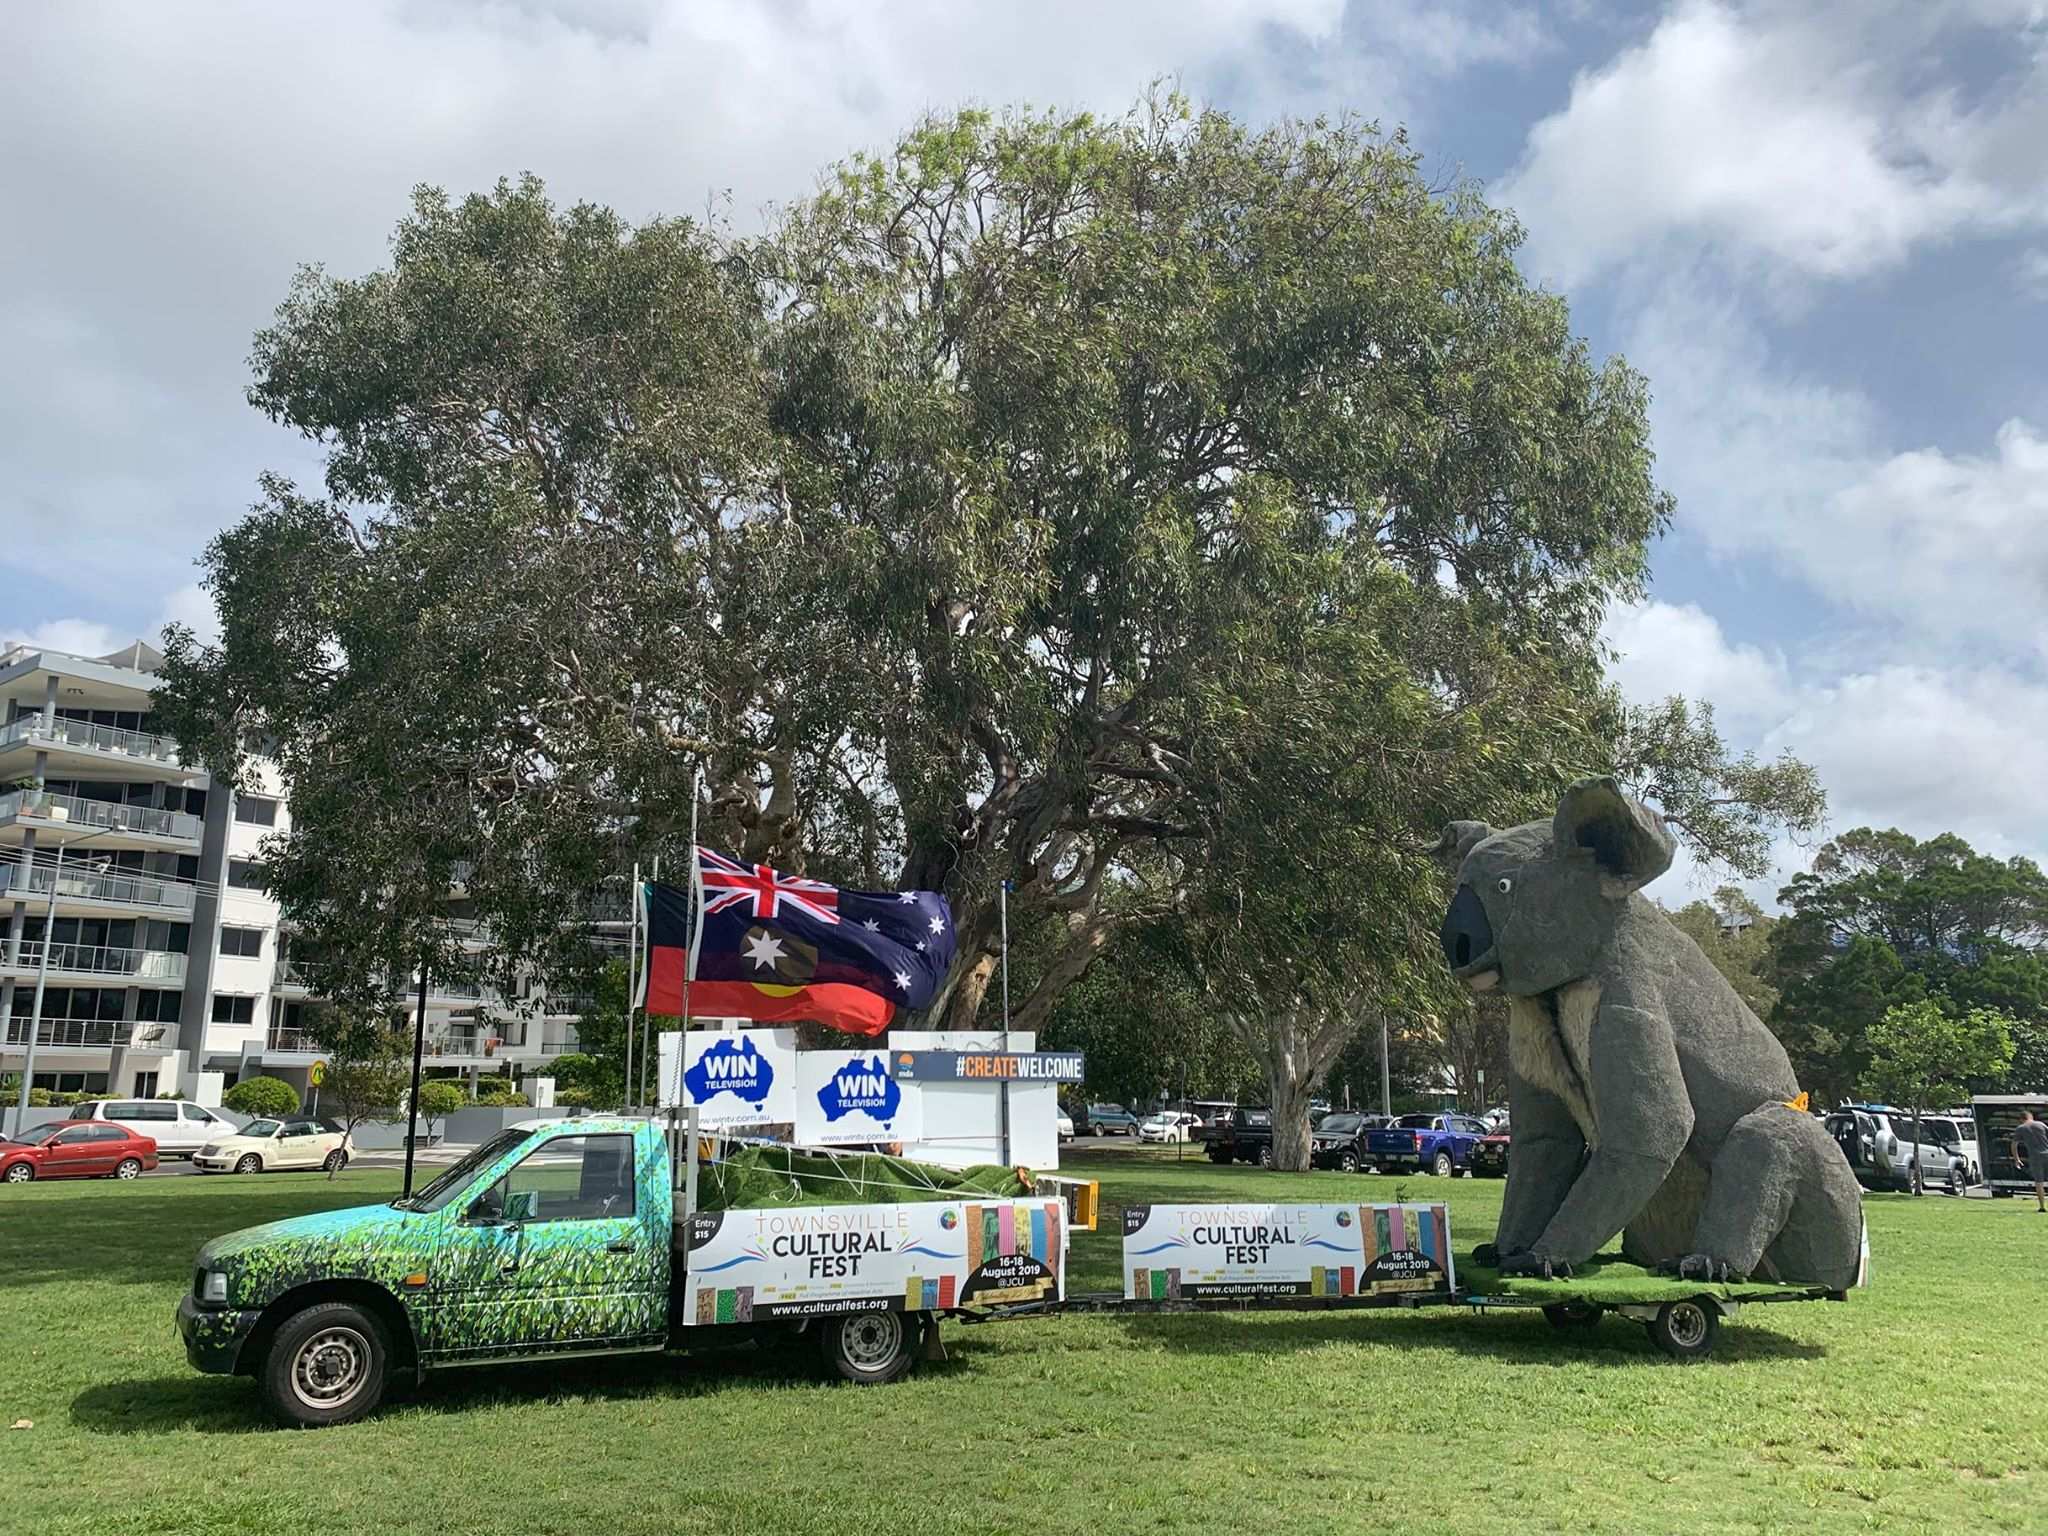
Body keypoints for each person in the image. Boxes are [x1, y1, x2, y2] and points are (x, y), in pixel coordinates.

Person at [2011, 1110, 2048, 1213]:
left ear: (2021, 1119)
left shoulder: (2020, 1128)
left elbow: (2014, 1145)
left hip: (2035, 1157)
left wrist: (2017, 1159)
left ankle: (2042, 1207)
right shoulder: (2041, 1124)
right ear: (2031, 1117)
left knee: (2039, 1182)